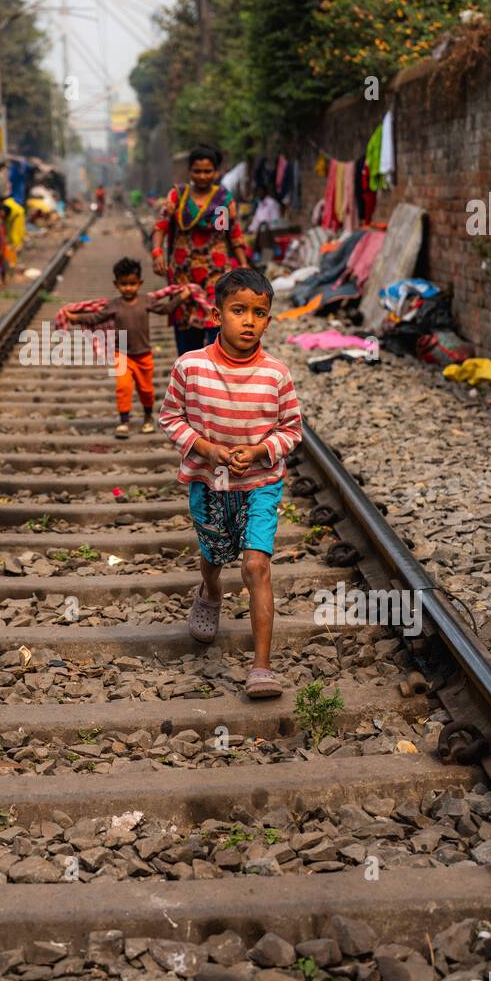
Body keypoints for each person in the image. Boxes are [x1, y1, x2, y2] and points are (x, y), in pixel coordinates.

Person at [158, 268, 302, 699]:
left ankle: (261, 667)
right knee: (213, 554)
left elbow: (292, 430)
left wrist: (259, 451)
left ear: (269, 320)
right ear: (216, 313)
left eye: (259, 313)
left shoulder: (276, 375)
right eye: (238, 310)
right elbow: (170, 418)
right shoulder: (191, 366)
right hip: (209, 480)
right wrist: (206, 447)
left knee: (256, 565)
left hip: (261, 483)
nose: (249, 321)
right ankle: (211, 590)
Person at [57, 257, 189, 440]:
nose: (128, 288)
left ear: (140, 283)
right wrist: (75, 318)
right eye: (124, 284)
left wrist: (180, 299)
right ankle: (124, 421)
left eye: (132, 284)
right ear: (116, 284)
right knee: (123, 387)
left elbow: (165, 309)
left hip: (143, 354)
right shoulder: (114, 305)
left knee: (146, 390)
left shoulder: (146, 301)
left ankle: (147, 416)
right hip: (122, 354)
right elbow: (96, 318)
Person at [151, 146, 248, 357]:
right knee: (187, 338)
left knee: (218, 329)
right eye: (197, 171)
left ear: (216, 172)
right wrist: (157, 253)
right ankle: (190, 382)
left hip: (217, 275)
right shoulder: (178, 196)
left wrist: (244, 264)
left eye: (207, 171)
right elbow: (161, 226)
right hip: (183, 276)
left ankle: (215, 383)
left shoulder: (223, 198)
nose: (202, 176)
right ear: (189, 171)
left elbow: (234, 234)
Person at [3, 198, 25, 270]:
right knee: (12, 242)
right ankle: (13, 263)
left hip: (15, 217)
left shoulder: (15, 211)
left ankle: (14, 263)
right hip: (14, 217)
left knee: (14, 240)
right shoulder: (9, 206)